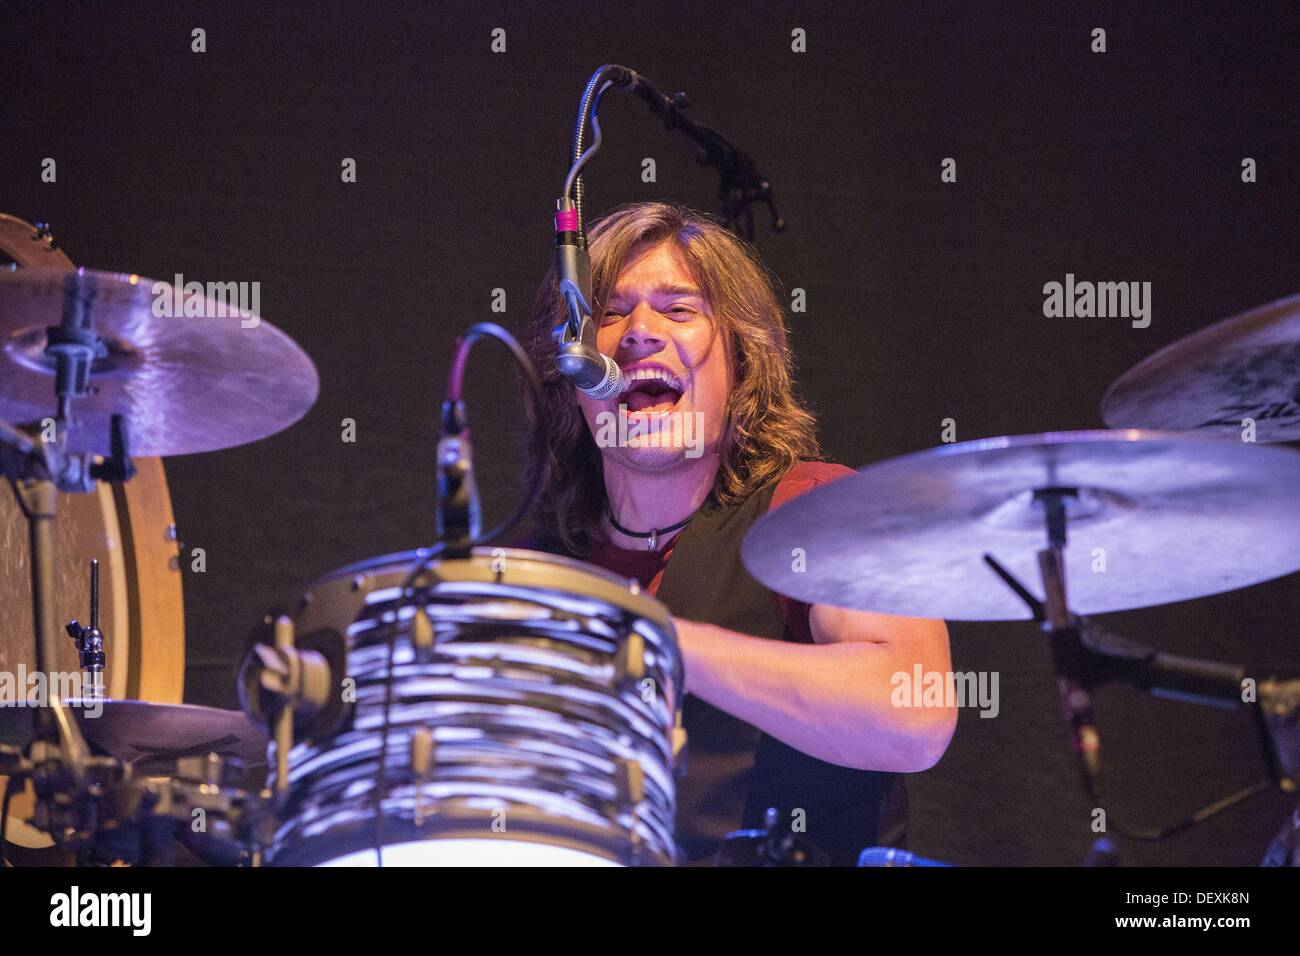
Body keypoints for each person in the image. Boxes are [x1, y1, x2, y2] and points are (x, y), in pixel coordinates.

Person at [520, 201, 955, 865]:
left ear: (743, 361)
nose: (639, 332)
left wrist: (663, 642)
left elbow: (915, 716)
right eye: (608, 313)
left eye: (678, 309)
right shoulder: (542, 568)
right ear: (574, 378)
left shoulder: (814, 508)